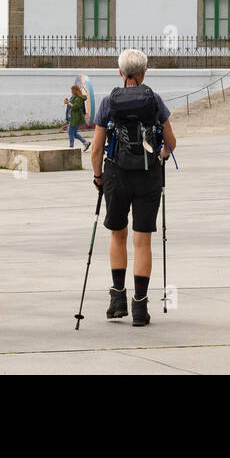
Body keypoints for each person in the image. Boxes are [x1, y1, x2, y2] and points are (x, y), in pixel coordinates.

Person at [90, 49, 176, 327]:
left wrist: (98, 177)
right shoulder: (155, 100)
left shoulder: (108, 102)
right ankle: (140, 307)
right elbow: (171, 141)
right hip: (148, 175)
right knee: (143, 239)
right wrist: (159, 157)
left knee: (117, 235)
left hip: (116, 174)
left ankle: (117, 300)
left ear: (120, 73)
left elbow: (96, 149)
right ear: (143, 74)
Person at [67, 85, 90, 151]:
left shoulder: (78, 98)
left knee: (70, 133)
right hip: (73, 117)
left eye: (72, 90)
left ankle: (71, 147)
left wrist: (68, 103)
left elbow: (76, 107)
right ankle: (86, 143)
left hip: (76, 118)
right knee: (74, 133)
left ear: (75, 91)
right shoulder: (74, 97)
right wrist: (68, 102)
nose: (71, 91)